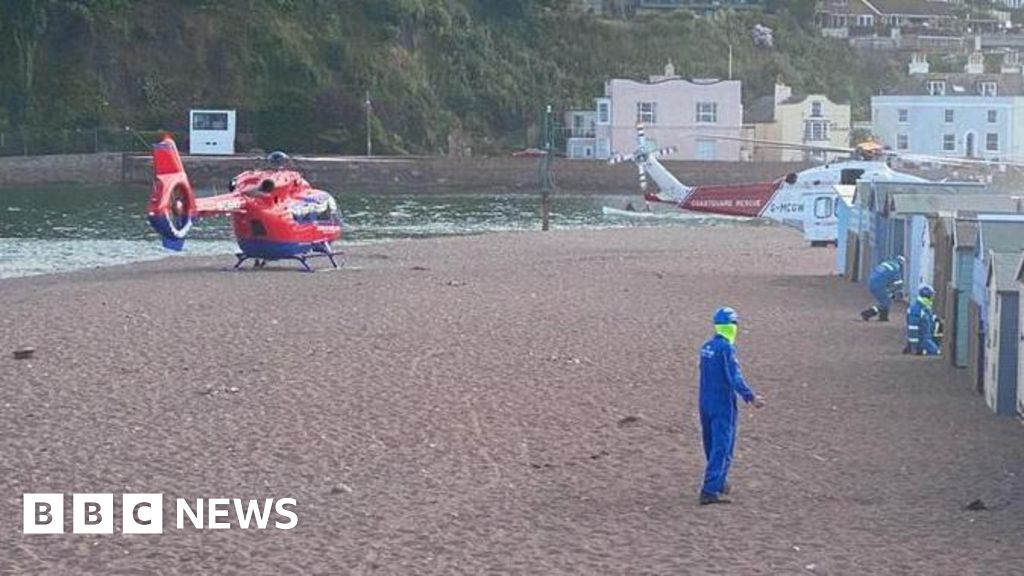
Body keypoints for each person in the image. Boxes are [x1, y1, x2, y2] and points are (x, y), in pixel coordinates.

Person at [698, 307, 765, 505]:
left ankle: (718, 481)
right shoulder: (726, 349)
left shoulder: (706, 347)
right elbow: (734, 376)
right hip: (722, 403)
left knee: (711, 443)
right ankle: (710, 489)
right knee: (723, 446)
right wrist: (750, 397)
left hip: (705, 400)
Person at [861, 255, 905, 322]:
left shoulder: (886, 263)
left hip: (872, 282)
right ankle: (867, 313)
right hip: (880, 285)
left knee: (885, 299)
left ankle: (883, 317)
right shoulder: (896, 268)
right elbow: (898, 283)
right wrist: (896, 291)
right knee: (885, 302)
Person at [906, 284, 940, 356]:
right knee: (935, 352)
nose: (932, 297)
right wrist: (914, 346)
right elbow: (913, 328)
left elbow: (929, 318)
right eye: (931, 295)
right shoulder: (916, 309)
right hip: (922, 340)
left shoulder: (925, 307)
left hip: (927, 338)